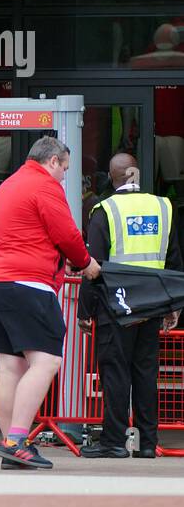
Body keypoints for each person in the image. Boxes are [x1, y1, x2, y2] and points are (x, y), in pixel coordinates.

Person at [0, 137, 100, 469]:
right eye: (65, 169)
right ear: (53, 161)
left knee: (9, 367)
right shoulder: (44, 186)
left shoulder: (9, 185)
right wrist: (86, 262)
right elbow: (67, 234)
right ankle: (17, 440)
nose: (64, 177)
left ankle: (10, 445)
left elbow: (27, 232)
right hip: (26, 283)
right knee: (46, 361)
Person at [80, 154, 181, 459]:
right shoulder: (163, 207)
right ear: (136, 175)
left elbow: (91, 265)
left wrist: (85, 310)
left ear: (112, 178)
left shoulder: (104, 210)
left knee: (115, 373)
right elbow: (174, 259)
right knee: (146, 372)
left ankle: (114, 441)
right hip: (151, 306)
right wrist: (174, 306)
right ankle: (148, 443)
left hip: (116, 305)